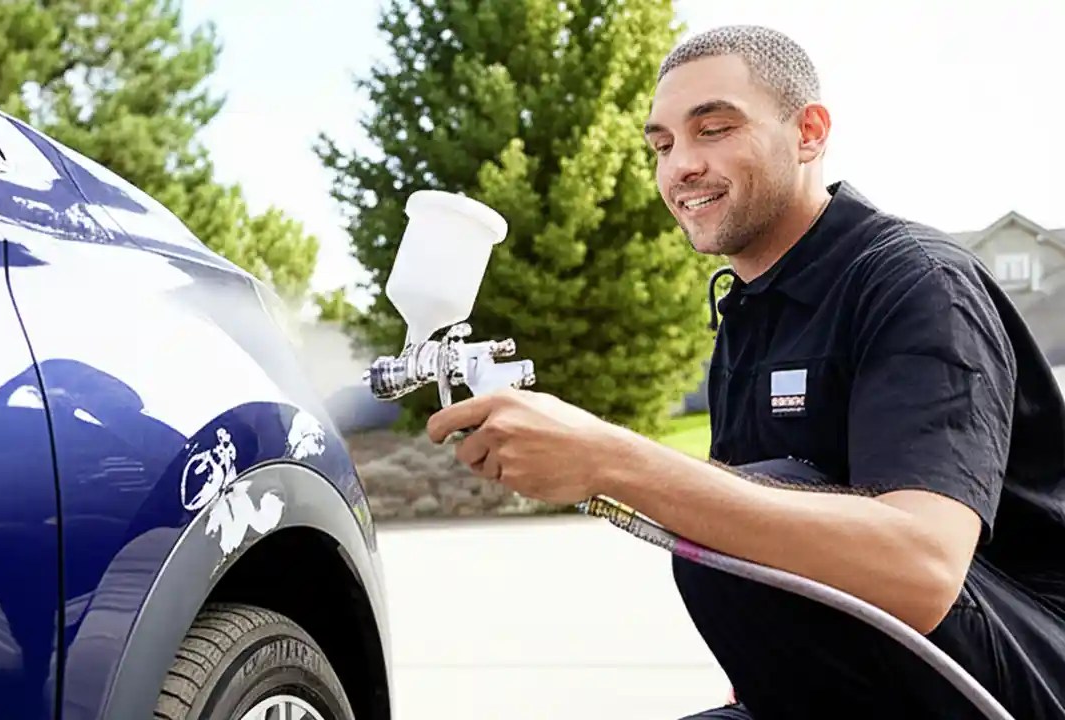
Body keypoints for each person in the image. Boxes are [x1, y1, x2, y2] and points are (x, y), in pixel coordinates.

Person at [425, 24, 1065, 720]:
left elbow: (923, 570)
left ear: (809, 133)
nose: (680, 167)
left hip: (1020, 680)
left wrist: (612, 458)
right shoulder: (748, 316)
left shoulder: (916, 283)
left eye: (715, 129)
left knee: (775, 488)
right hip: (859, 691)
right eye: (662, 146)